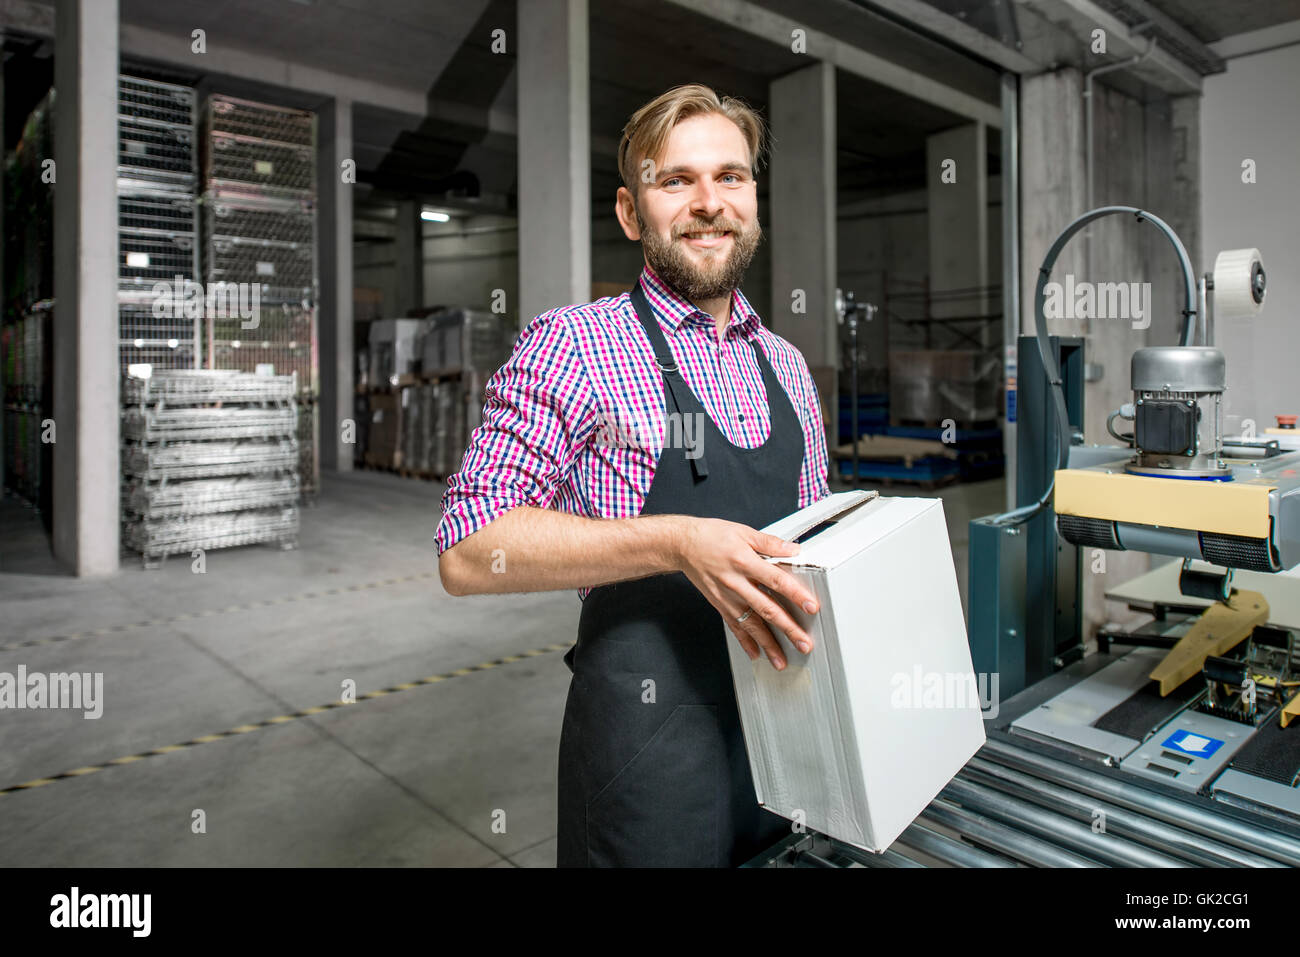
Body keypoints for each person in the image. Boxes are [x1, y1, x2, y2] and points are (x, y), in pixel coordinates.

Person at [436, 83, 831, 867]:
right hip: (645, 759)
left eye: (731, 177)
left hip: (787, 741)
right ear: (630, 211)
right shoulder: (575, 344)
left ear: (755, 200)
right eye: (675, 180)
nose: (708, 202)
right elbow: (470, 547)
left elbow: (817, 551)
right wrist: (678, 541)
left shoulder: (785, 364)